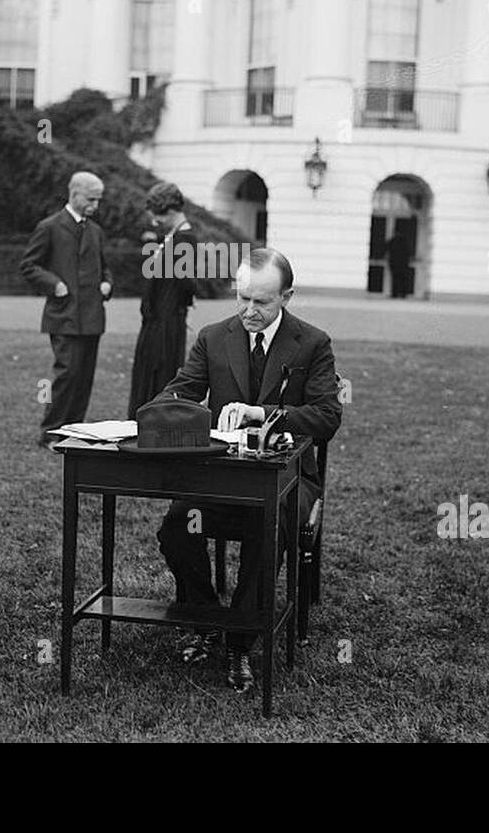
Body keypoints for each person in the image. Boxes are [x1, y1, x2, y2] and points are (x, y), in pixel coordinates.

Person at [155, 247, 342, 694]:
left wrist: (262, 414)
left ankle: (240, 640)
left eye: (262, 302)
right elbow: (178, 394)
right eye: (242, 299)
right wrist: (175, 414)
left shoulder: (313, 343)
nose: (249, 311)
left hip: (288, 481)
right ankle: (205, 619)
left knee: (268, 527)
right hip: (223, 478)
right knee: (178, 527)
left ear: (287, 297)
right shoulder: (214, 337)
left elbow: (326, 417)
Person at [20, 172, 112, 449]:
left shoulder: (96, 231)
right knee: (67, 375)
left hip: (93, 317)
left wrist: (108, 283)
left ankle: (74, 432)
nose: (95, 206)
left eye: (98, 200)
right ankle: (50, 432)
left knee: (84, 378)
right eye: (91, 199)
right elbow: (29, 266)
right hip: (64, 316)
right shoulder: (49, 227)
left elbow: (105, 266)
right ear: (74, 194)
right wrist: (55, 284)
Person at [127, 182, 197, 418]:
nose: (155, 221)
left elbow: (187, 284)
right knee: (147, 378)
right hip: (157, 321)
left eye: (159, 216)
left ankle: (153, 428)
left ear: (171, 211)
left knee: (159, 377)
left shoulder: (185, 240)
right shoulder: (173, 237)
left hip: (166, 325)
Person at [385, 228, 411, 299]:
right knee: (403, 280)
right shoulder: (404, 242)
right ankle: (403, 294)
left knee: (395, 279)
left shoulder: (392, 241)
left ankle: (395, 294)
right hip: (402, 264)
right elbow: (408, 252)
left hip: (395, 264)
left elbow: (386, 249)